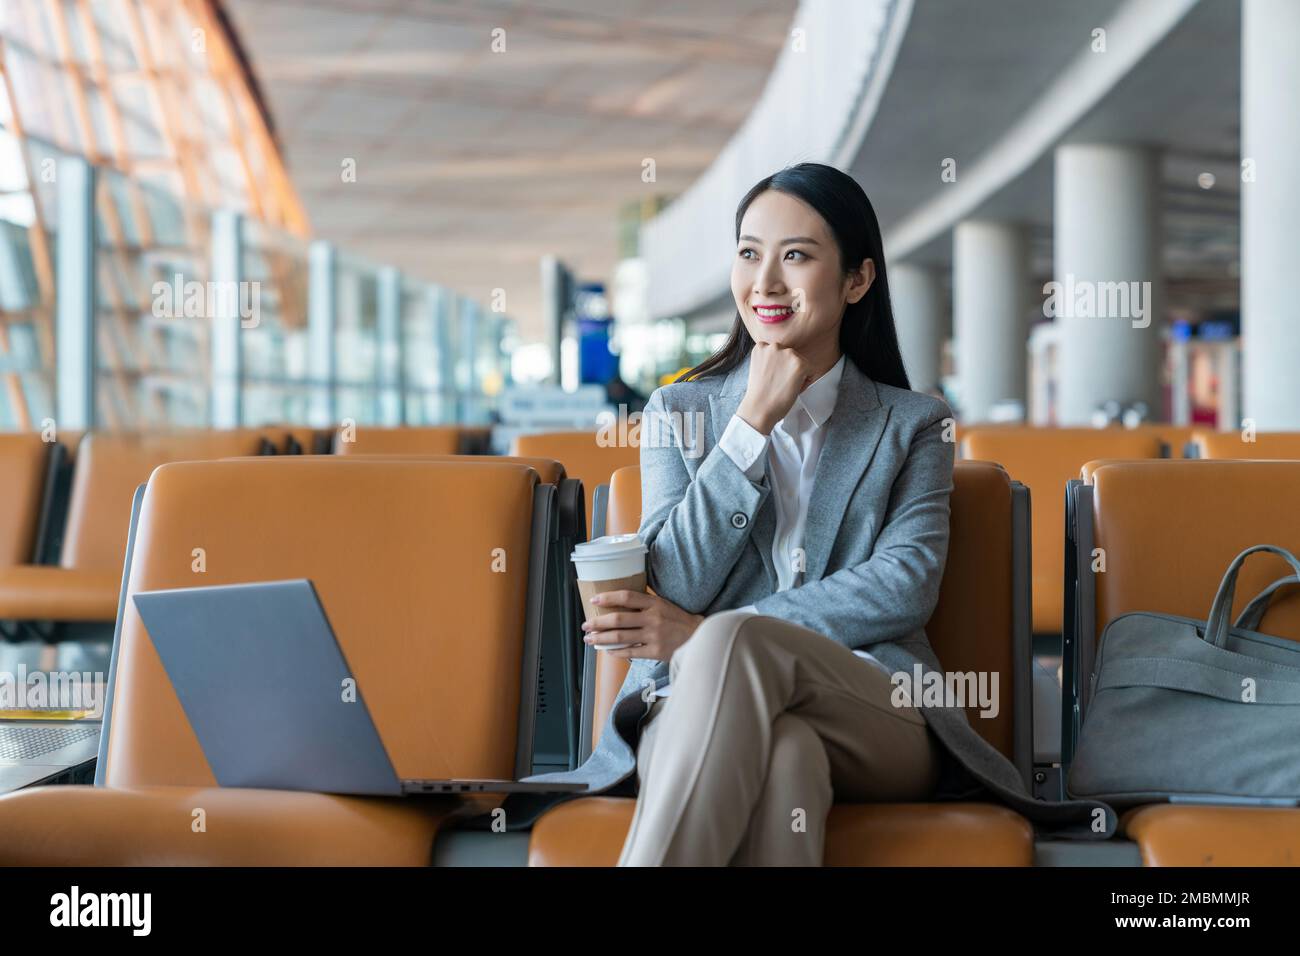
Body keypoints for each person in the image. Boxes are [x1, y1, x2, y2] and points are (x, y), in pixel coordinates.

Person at [512, 162, 1114, 864]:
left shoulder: (913, 424)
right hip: (696, 711)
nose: (764, 282)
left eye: (795, 255)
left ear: (857, 279)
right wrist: (750, 424)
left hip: (878, 709)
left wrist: (710, 635)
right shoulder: (679, 413)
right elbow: (672, 581)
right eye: (748, 253)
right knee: (788, 756)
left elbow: (904, 583)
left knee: (737, 646)